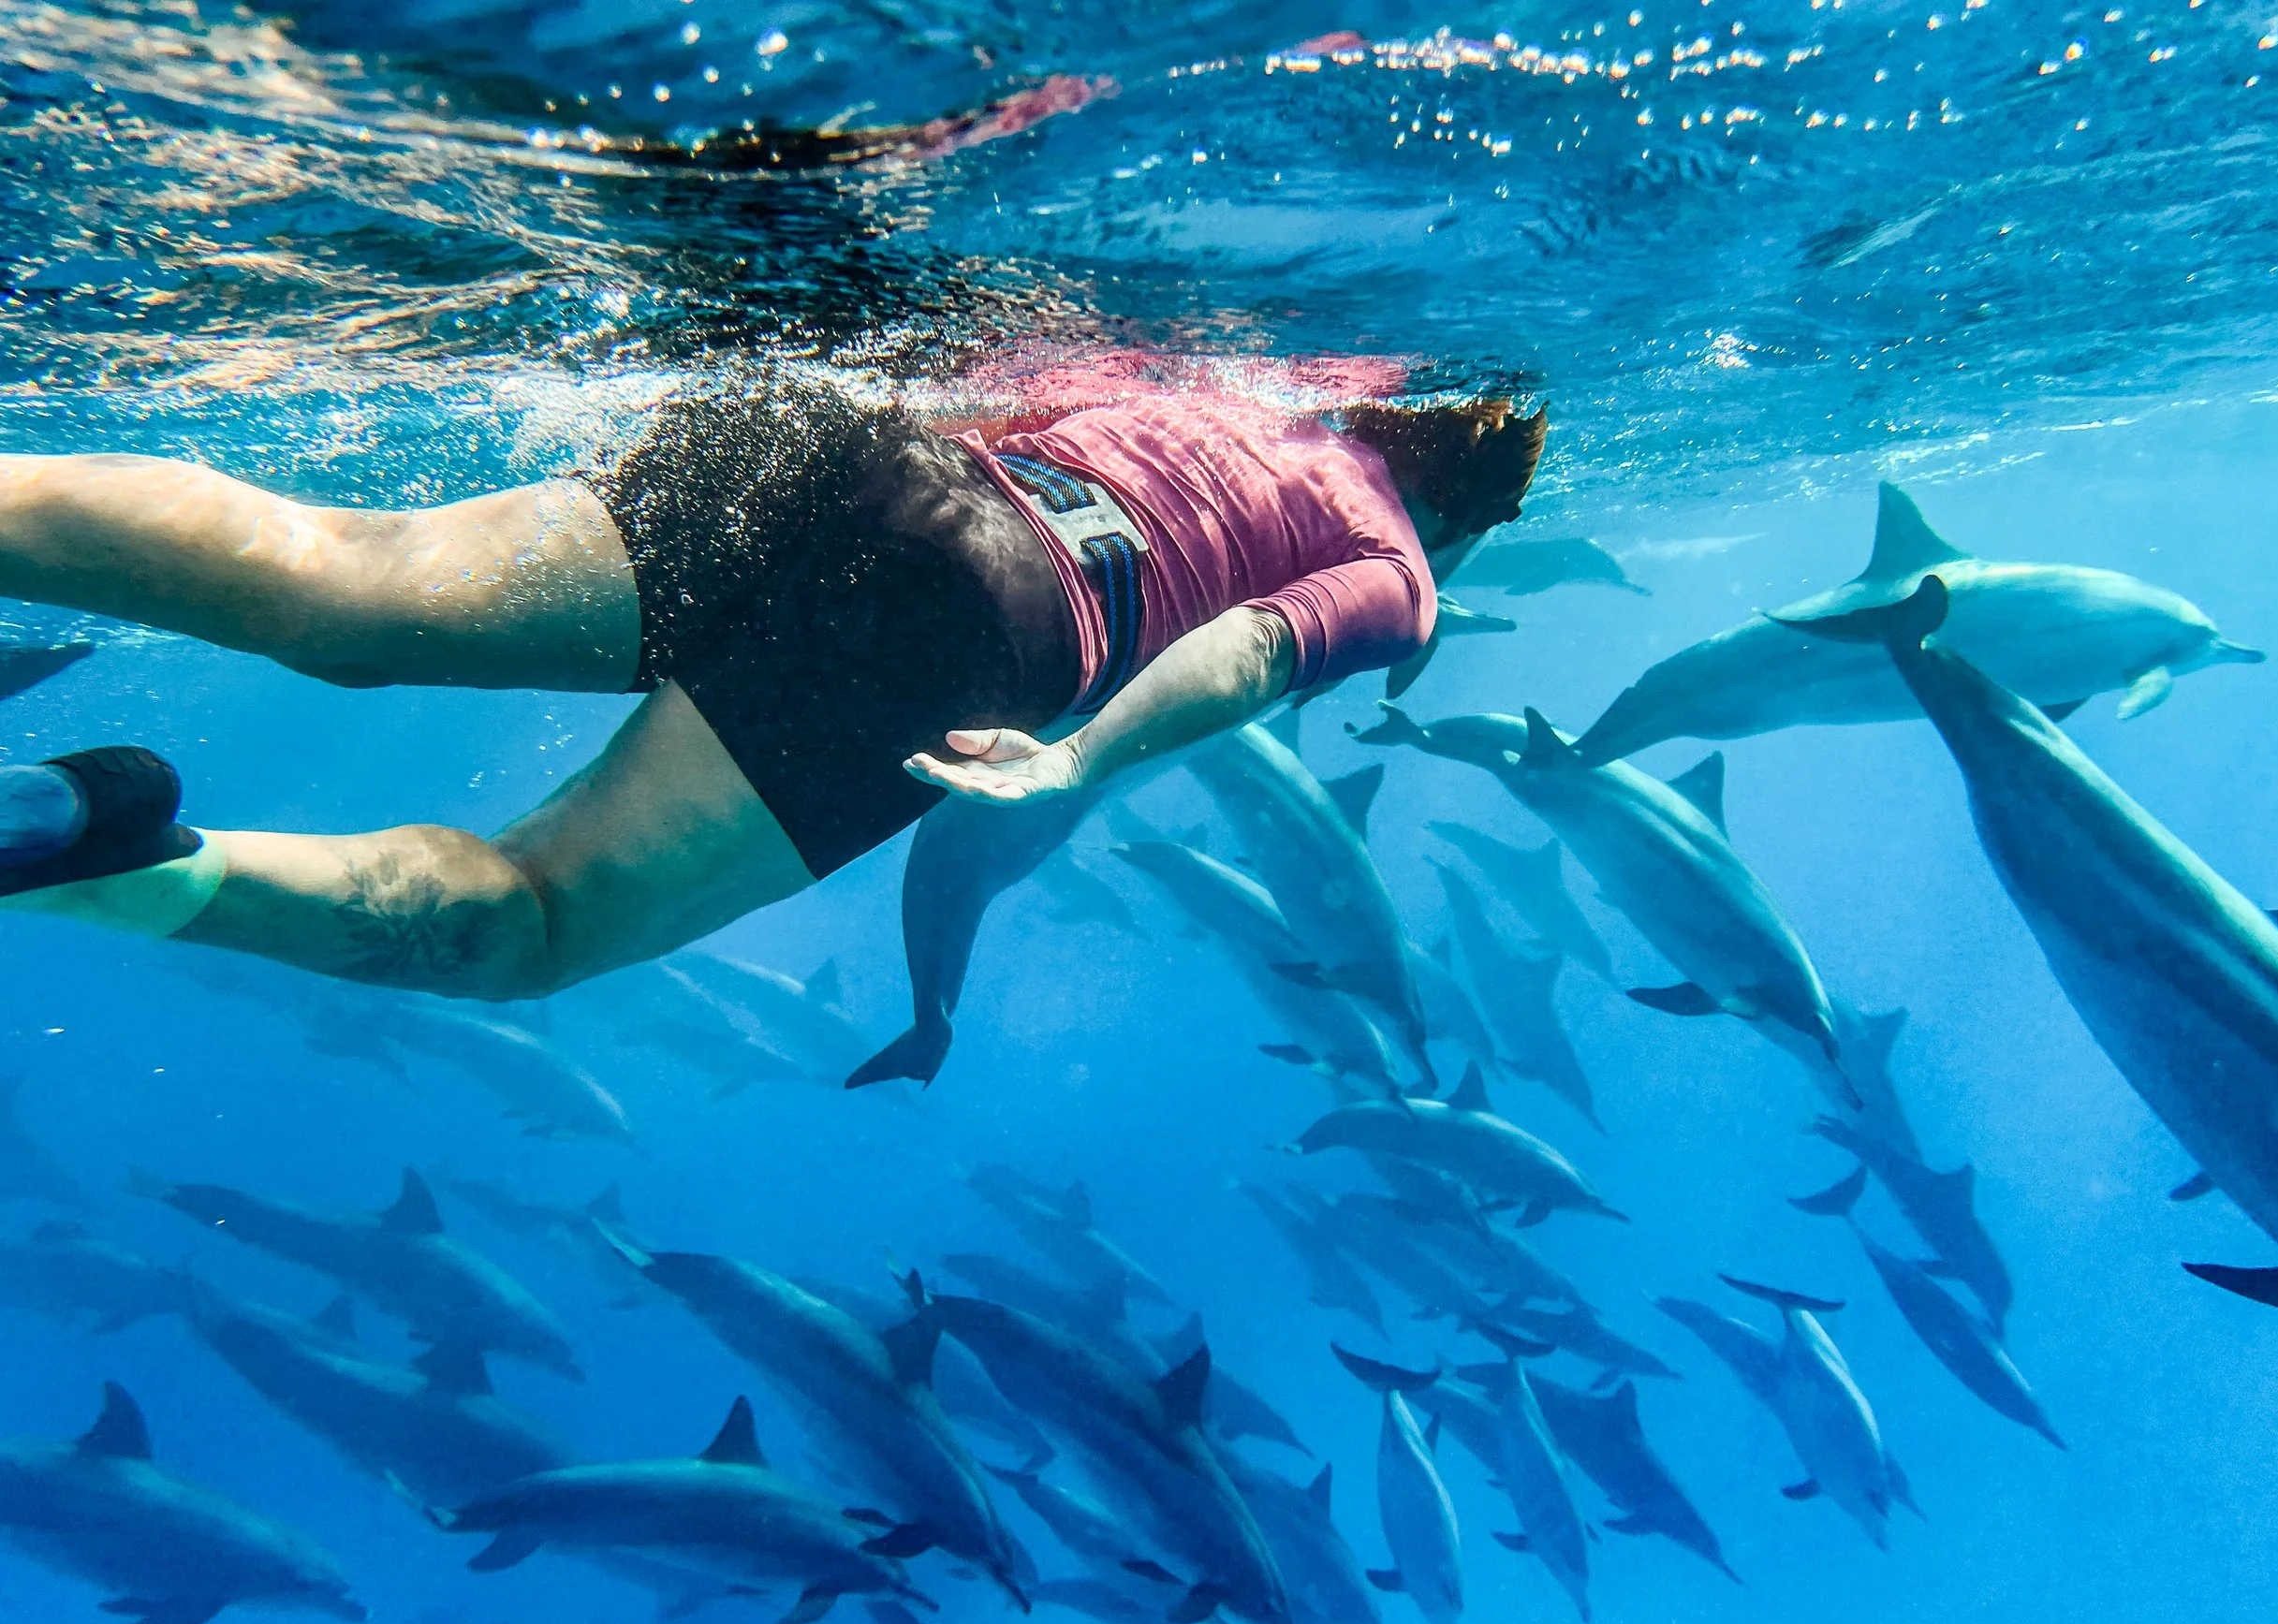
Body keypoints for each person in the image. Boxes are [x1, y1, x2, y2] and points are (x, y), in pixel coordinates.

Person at [0, 375, 1545, 998]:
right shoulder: (1401, 567)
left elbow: (972, 393)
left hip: (855, 456)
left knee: (345, 582)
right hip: (978, 613)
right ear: (1474, 509)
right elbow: (1258, 646)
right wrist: (1079, 762)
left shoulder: (1218, 392)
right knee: (531, 916)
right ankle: (86, 855)